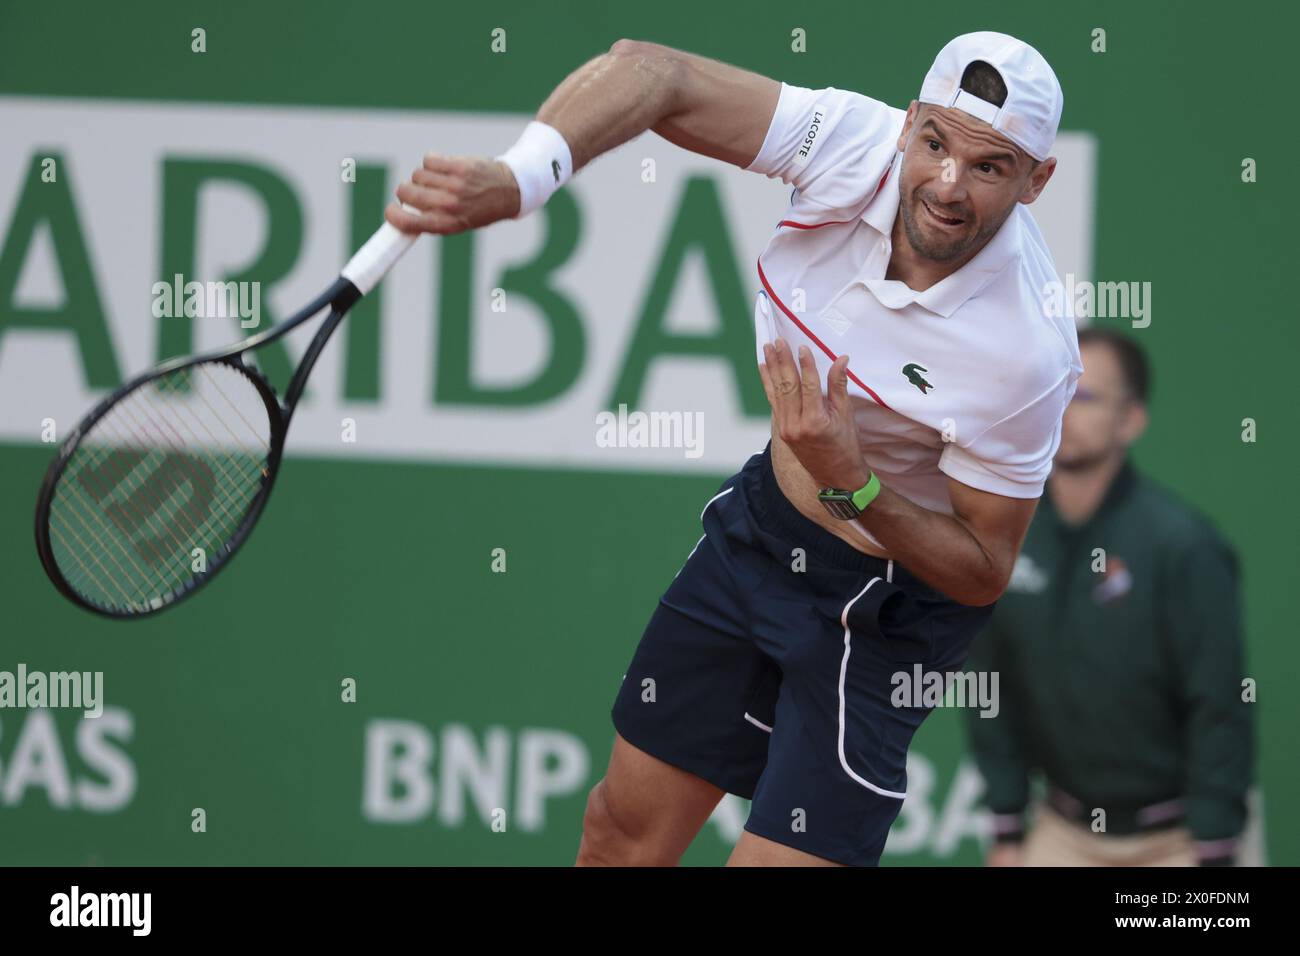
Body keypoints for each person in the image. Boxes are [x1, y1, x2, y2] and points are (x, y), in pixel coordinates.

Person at [386, 31, 1081, 866]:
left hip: (889, 617)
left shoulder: (1026, 353)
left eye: (990, 167)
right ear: (906, 126)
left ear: (1036, 180)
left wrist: (853, 483)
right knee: (618, 833)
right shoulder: (849, 143)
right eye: (934, 143)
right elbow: (657, 72)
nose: (945, 184)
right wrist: (522, 177)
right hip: (760, 539)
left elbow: (983, 568)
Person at [964, 328, 1254, 867]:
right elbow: (989, 689)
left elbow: (1220, 706)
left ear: (1131, 421)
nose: (1066, 410)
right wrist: (1007, 830)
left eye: (1088, 396)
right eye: (1057, 392)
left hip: (1181, 841)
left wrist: (1213, 850)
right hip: (1060, 834)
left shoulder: (1184, 546)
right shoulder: (1006, 534)